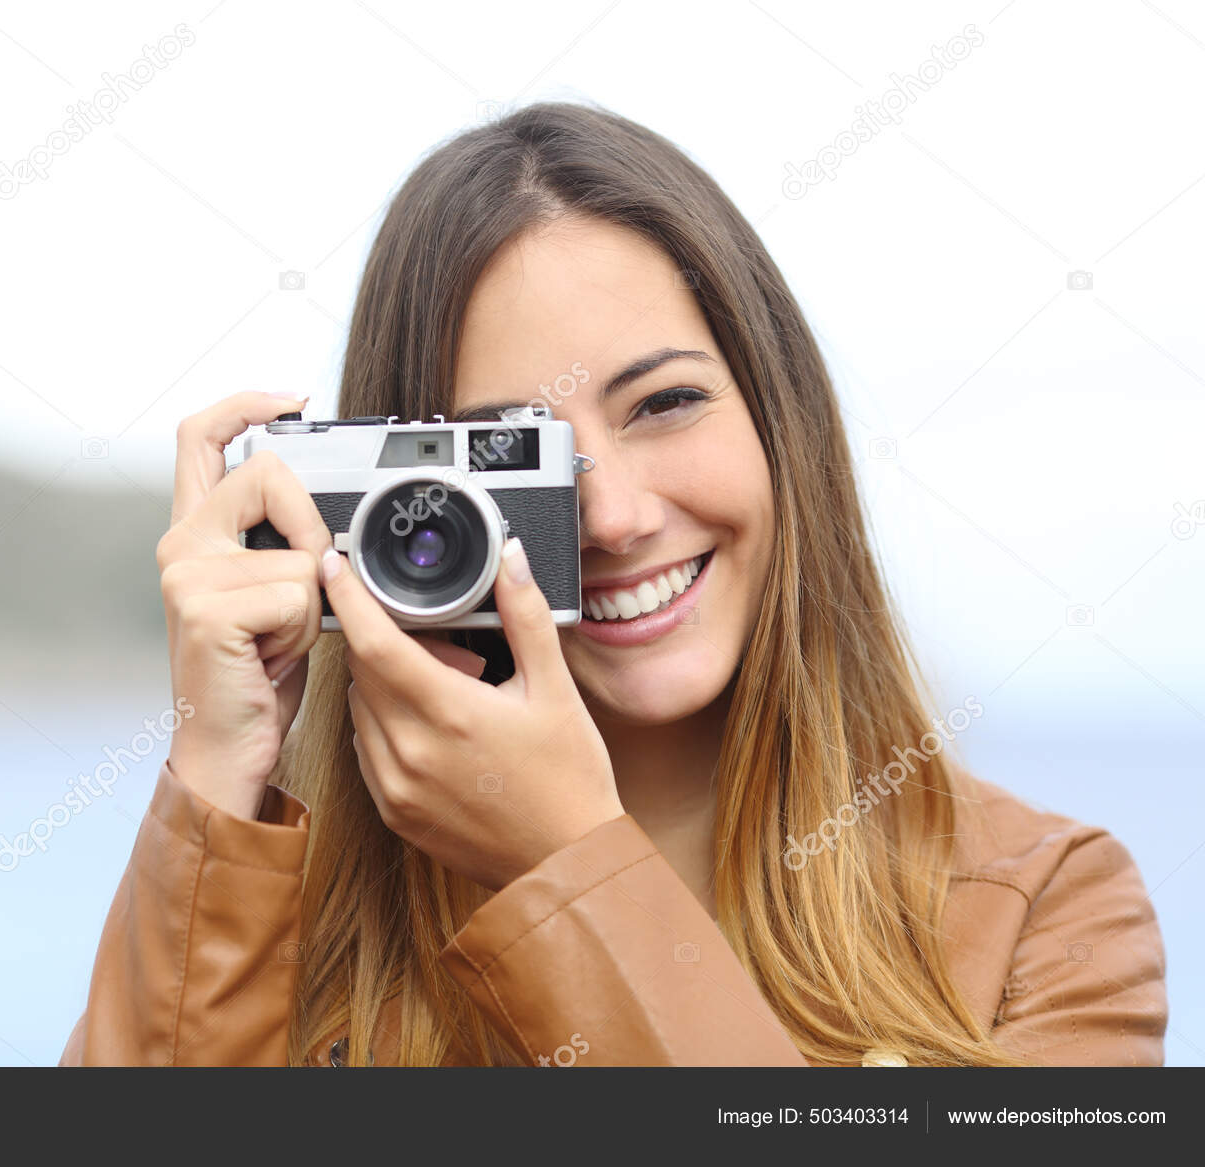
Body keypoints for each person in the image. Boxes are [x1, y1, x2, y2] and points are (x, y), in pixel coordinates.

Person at [59, 103, 1166, 1067]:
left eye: (666, 403)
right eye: (510, 455)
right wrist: (216, 779)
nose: (614, 514)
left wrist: (567, 866)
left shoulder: (1038, 913)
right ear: (400, 504)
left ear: (784, 422)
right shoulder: (273, 918)